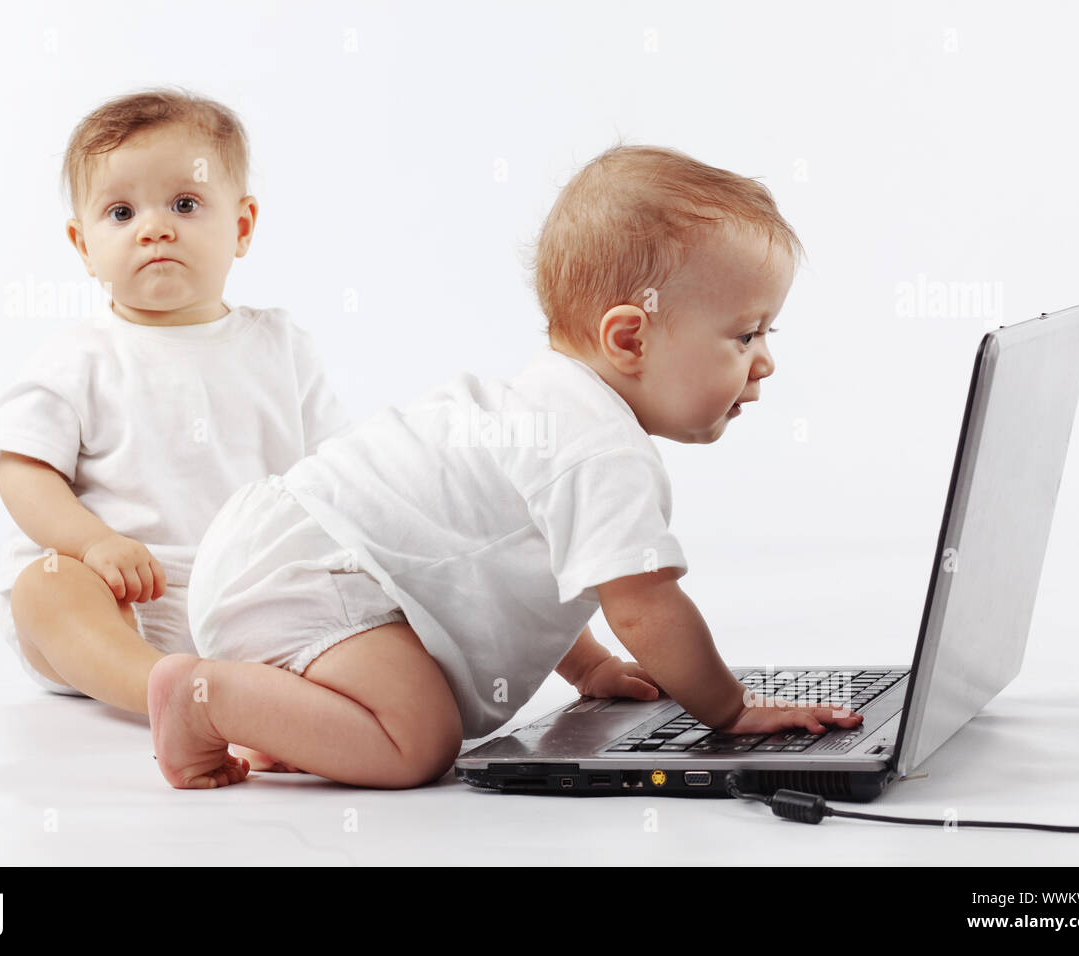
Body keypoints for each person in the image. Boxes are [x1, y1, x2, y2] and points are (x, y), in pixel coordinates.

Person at [151, 143, 864, 790]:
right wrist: (731, 709)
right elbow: (646, 607)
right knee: (418, 742)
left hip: (289, 556)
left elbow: (504, 572)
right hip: (315, 580)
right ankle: (201, 699)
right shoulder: (602, 449)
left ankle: (291, 716)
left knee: (401, 707)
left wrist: (586, 666)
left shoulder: (551, 404)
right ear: (630, 337)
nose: (765, 360)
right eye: (745, 334)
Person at [0, 88, 349, 716]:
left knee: (364, 596)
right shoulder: (81, 357)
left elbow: (337, 475)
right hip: (119, 596)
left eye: (184, 203)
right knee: (47, 588)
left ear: (242, 225)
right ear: (83, 245)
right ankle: (173, 695)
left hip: (250, 596)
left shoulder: (281, 348)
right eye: (120, 213)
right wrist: (93, 545)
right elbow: (24, 470)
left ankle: (265, 697)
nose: (154, 228)